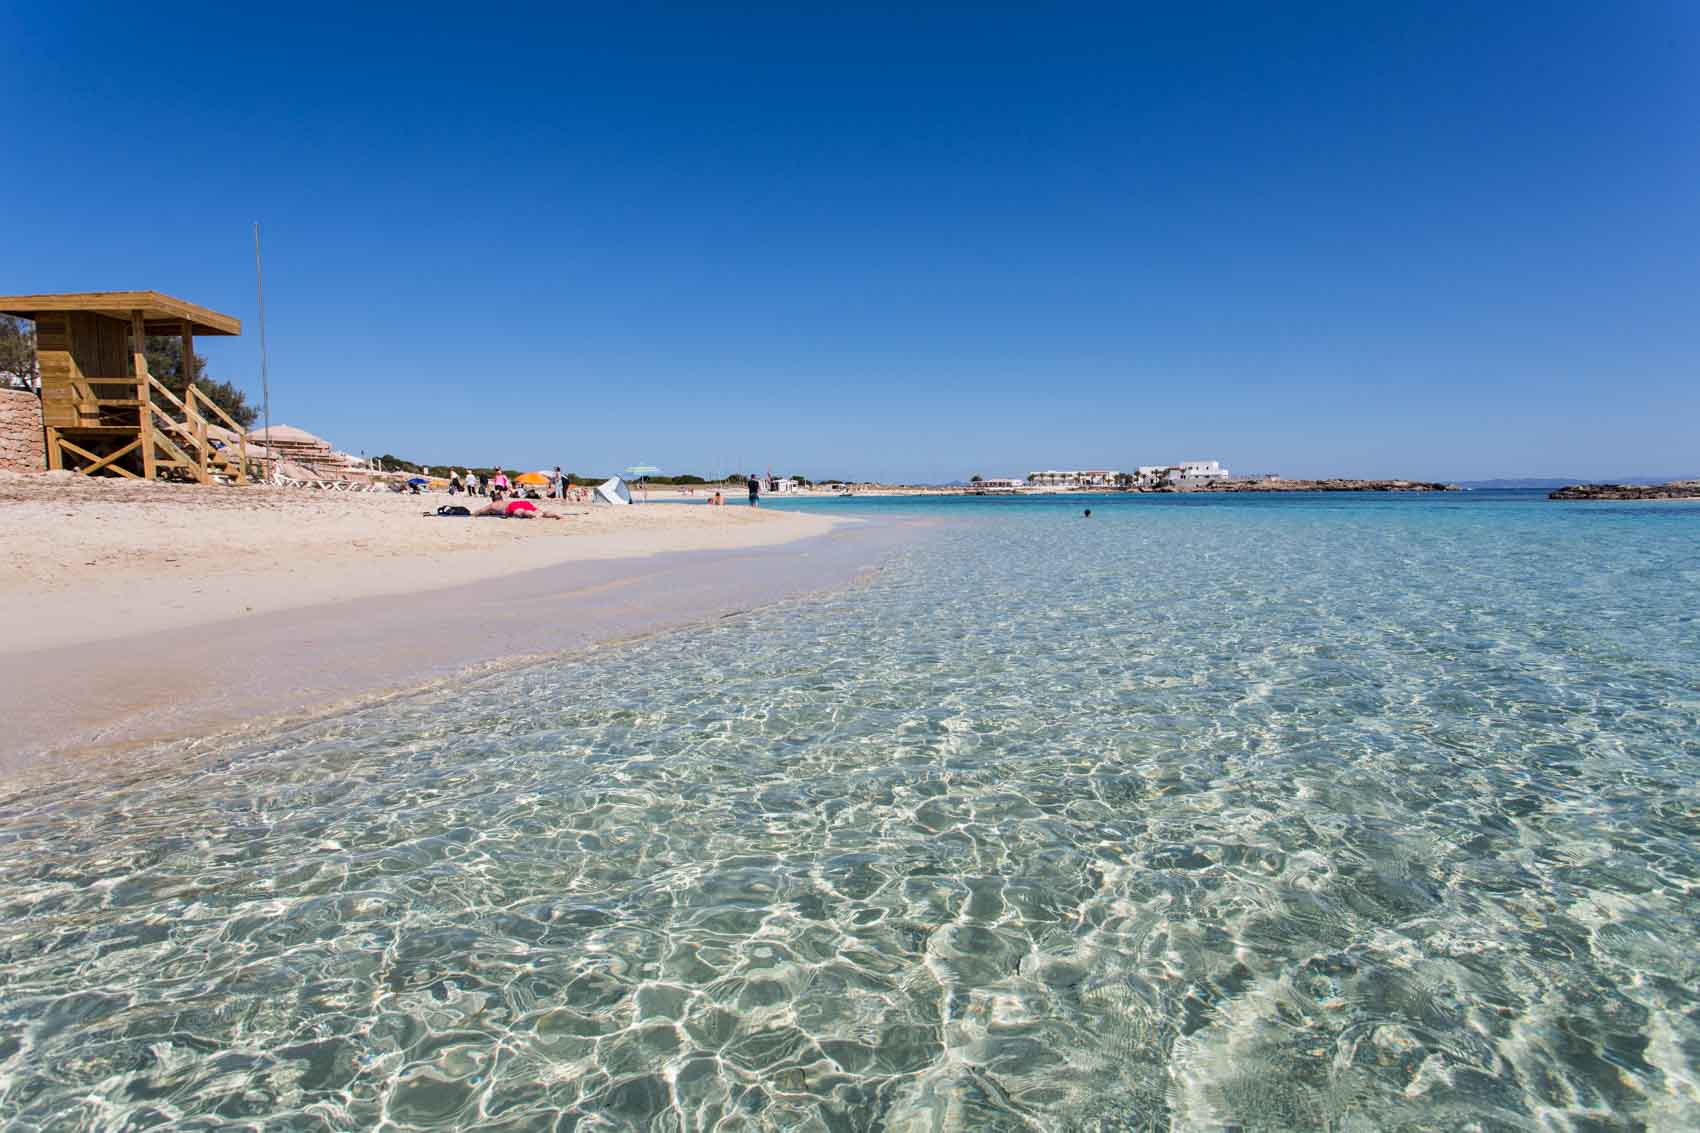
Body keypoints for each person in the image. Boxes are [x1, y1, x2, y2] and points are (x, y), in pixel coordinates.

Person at [475, 497, 564, 520]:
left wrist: (474, 513)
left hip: (513, 506)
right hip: (523, 502)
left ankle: (533, 515)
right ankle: (556, 514)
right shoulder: (505, 501)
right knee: (541, 511)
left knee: (522, 512)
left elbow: (480, 511)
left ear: (493, 500)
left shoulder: (493, 505)